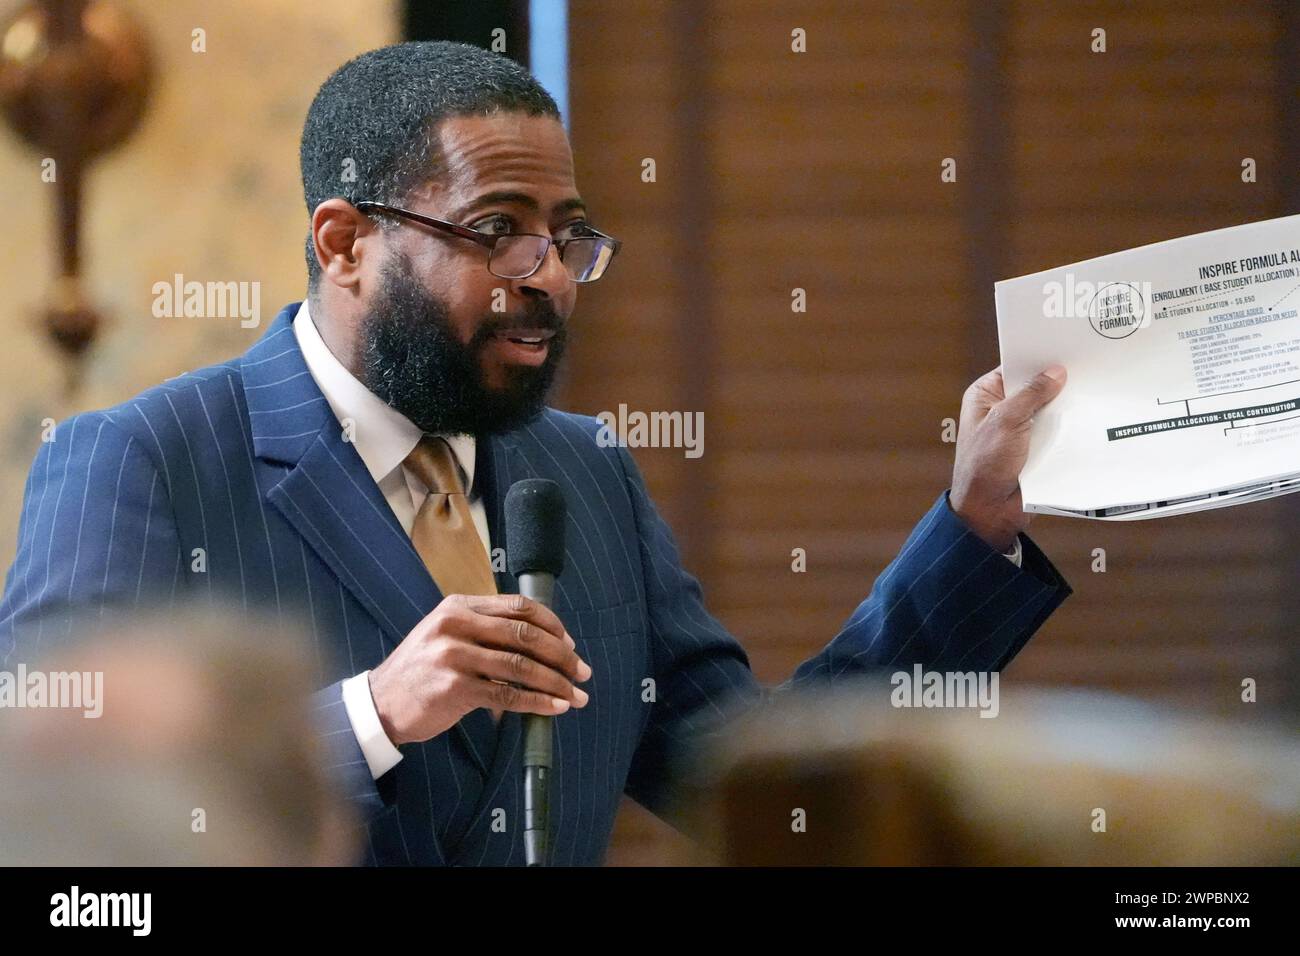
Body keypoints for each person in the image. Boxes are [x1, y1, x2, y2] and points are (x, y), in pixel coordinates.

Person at [0, 41, 1071, 866]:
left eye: (566, 233)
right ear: (344, 243)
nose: (548, 273)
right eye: (497, 228)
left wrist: (972, 527)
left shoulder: (584, 469)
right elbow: (56, 822)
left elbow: (760, 786)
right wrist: (375, 711)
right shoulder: (142, 460)